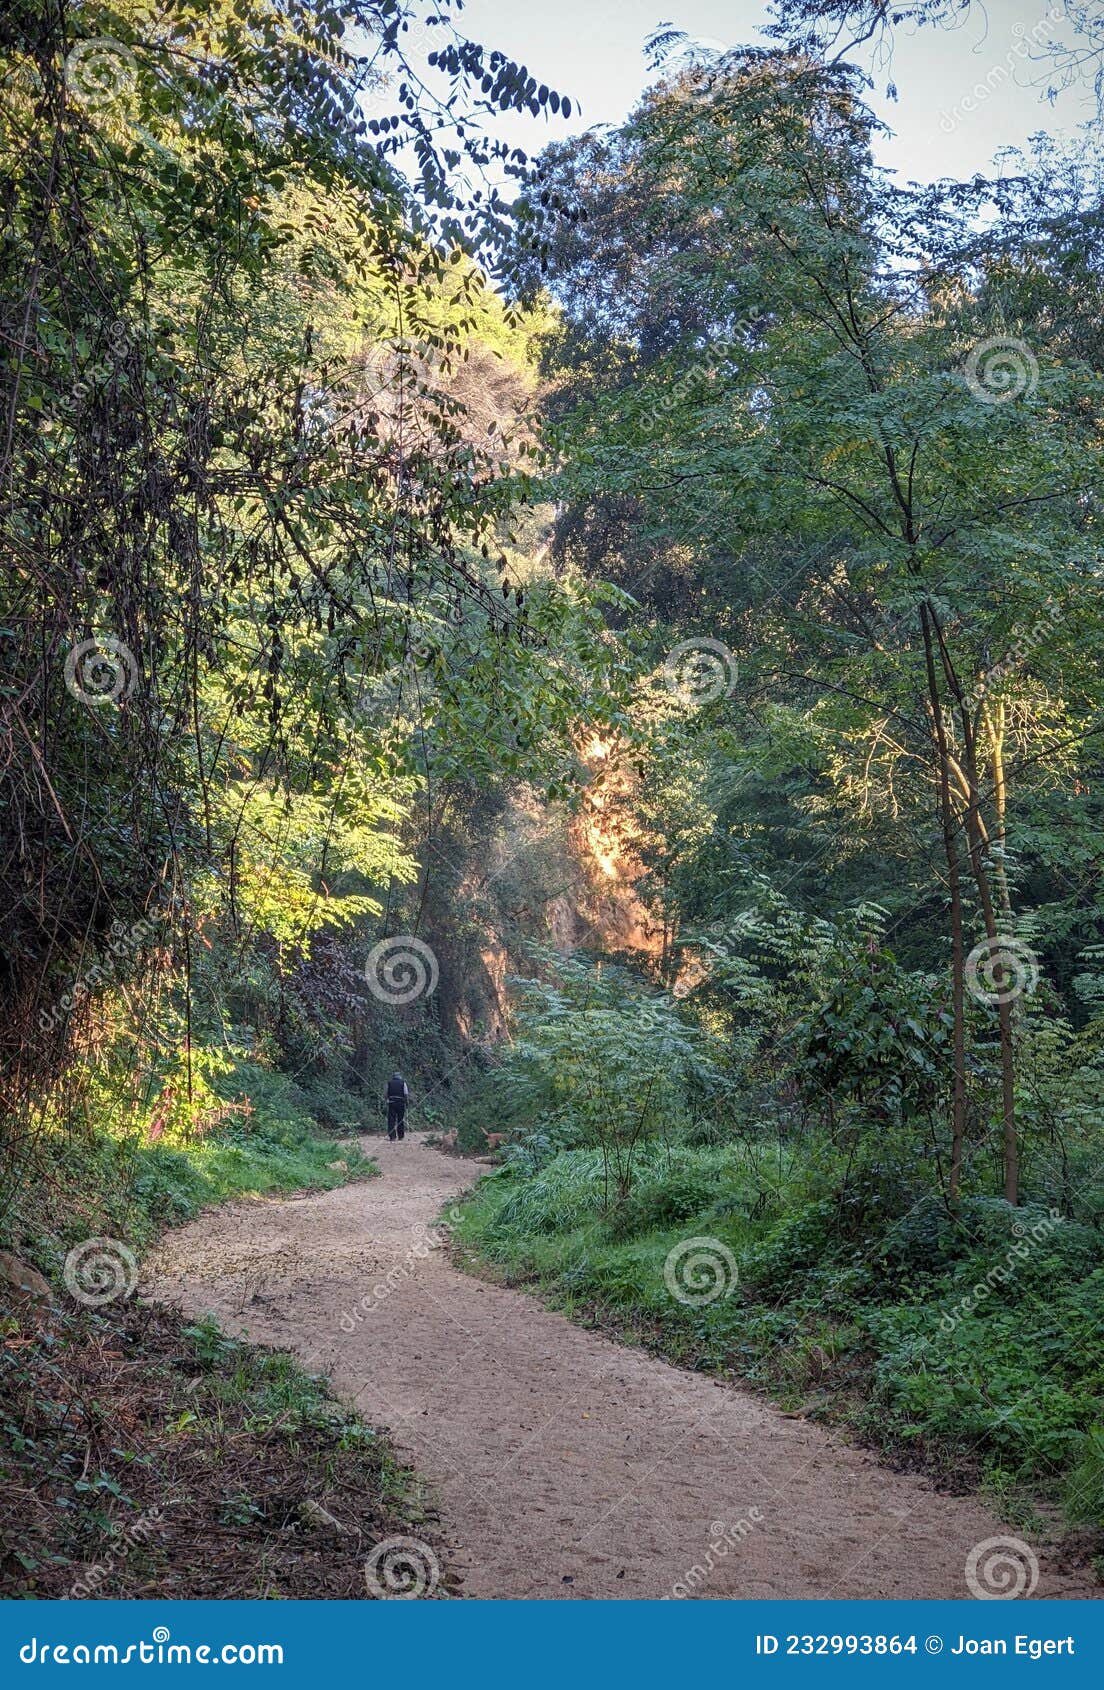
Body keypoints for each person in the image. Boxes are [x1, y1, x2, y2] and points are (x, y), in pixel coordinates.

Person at [386, 1071, 409, 1140]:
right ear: (400, 1077)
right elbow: (406, 1094)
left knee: (391, 1120)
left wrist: (386, 1100)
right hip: (400, 1103)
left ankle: (392, 1136)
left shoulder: (389, 1083)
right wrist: (407, 1102)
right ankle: (401, 1136)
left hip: (392, 1102)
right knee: (400, 1120)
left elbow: (386, 1093)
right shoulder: (403, 1083)